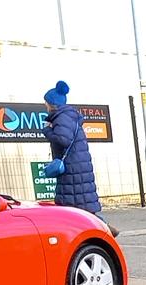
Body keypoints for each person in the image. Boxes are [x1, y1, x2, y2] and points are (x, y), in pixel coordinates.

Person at [42, 81, 117, 235]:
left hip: (73, 169)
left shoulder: (62, 117)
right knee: (81, 204)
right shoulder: (67, 116)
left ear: (52, 104)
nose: (45, 105)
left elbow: (63, 139)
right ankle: (104, 229)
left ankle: (104, 230)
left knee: (74, 206)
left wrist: (47, 131)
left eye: (46, 102)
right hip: (78, 166)